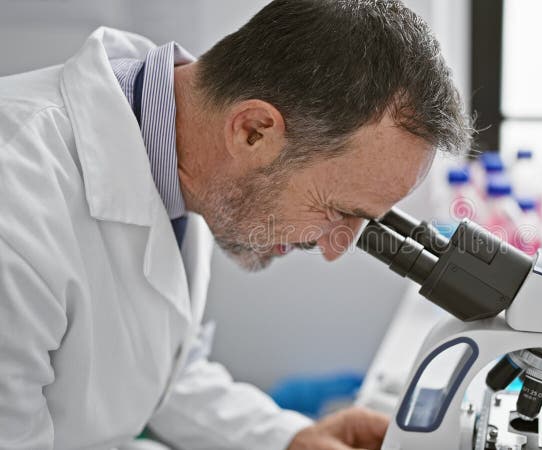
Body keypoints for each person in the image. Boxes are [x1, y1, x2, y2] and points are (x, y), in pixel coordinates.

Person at [0, 0, 472, 448]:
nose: (334, 248)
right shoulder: (16, 209)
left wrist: (287, 439)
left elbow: (160, 371)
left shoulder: (178, 154)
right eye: (338, 210)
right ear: (253, 131)